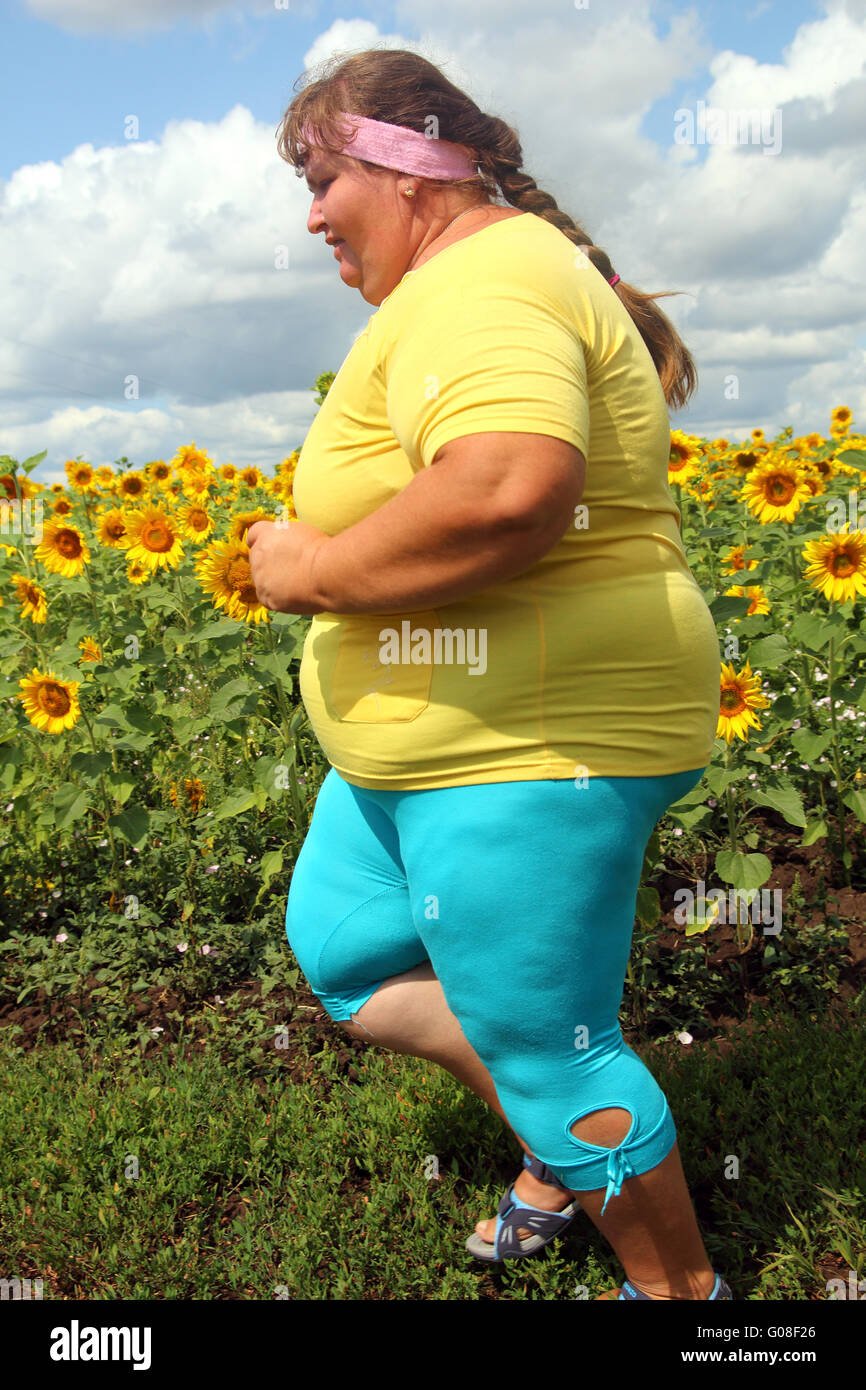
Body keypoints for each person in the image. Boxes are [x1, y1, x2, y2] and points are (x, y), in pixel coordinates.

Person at [249, 48, 730, 1301]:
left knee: (548, 1042)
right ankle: (550, 1142)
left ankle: (680, 1299)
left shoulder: (483, 281)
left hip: (526, 736)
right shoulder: (470, 280)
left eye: (319, 176)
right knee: (349, 949)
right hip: (432, 737)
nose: (309, 213)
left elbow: (508, 486)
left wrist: (307, 571)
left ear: (406, 170)